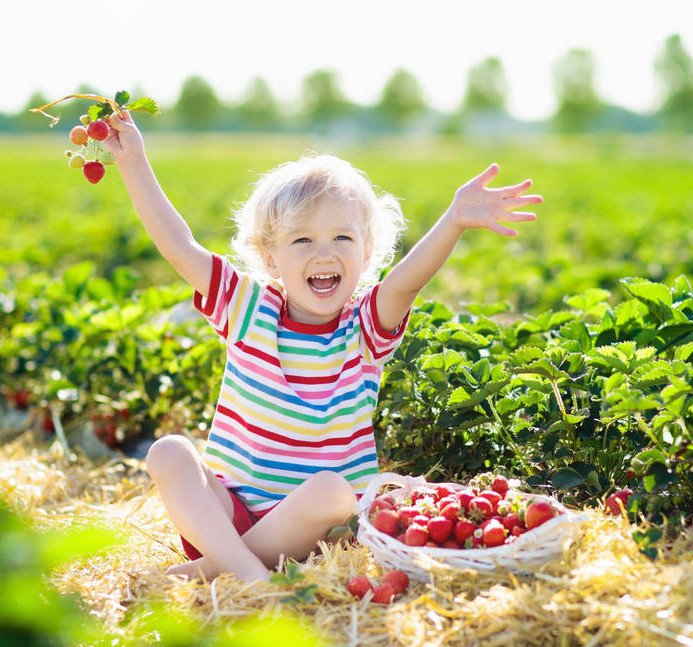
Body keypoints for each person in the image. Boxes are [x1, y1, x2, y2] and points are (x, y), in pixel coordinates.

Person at [103, 110, 542, 583]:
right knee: (168, 452)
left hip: (319, 534)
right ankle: (249, 573)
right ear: (270, 258)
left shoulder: (364, 329)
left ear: (367, 252)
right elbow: (179, 246)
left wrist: (453, 221)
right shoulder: (246, 308)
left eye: (342, 237)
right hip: (224, 519)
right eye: (303, 239)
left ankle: (221, 572)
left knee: (334, 492)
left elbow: (405, 284)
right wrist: (134, 163)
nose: (324, 253)